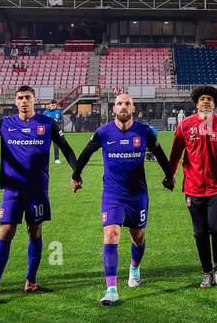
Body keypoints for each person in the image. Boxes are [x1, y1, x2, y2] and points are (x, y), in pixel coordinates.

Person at [0, 85, 78, 299]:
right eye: (20, 98)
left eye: (27, 97)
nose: (24, 101)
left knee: (35, 231)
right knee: (6, 231)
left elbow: (67, 148)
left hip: (37, 190)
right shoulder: (6, 124)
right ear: (15, 102)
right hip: (12, 189)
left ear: (34, 101)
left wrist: (76, 173)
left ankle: (31, 281)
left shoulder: (46, 123)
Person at [71, 92, 171, 305]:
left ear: (134, 109)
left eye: (127, 103)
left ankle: (134, 267)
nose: (123, 106)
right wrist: (76, 175)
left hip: (137, 195)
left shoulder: (144, 132)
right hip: (113, 194)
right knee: (111, 234)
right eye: (119, 103)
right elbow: (86, 154)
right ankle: (111, 289)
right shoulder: (103, 132)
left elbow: (160, 154)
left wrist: (169, 176)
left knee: (138, 237)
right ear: (113, 109)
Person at [164, 85, 217, 287]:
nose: (206, 101)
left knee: (215, 228)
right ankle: (206, 271)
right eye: (202, 98)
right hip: (193, 188)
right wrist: (170, 176)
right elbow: (175, 154)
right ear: (196, 103)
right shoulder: (185, 125)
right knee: (199, 232)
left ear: (214, 104)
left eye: (210, 99)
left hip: (216, 187)